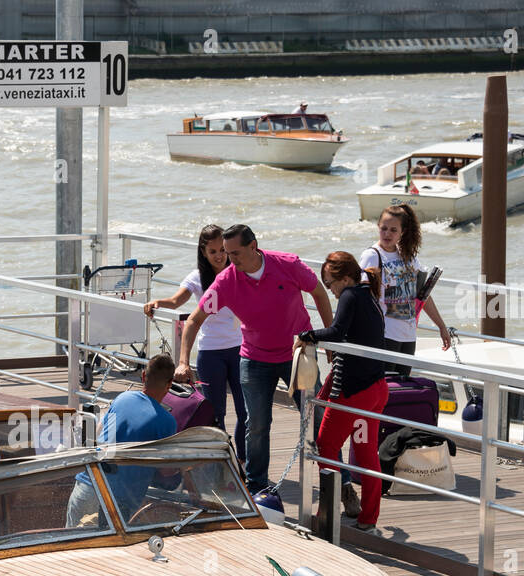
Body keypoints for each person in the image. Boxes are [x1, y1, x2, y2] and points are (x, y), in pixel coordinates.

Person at [173, 224, 333, 503]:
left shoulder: (289, 264)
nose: (230, 259)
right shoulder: (225, 282)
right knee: (256, 424)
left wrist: (328, 339)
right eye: (225, 253)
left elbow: (320, 294)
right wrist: (183, 361)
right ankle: (258, 487)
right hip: (254, 358)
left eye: (235, 253)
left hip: (298, 354)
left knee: (318, 419)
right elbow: (194, 321)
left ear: (254, 246)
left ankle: (335, 484)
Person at [298, 252, 388, 531]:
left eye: (331, 284)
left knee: (326, 447)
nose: (331, 291)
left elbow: (336, 331)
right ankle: (368, 519)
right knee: (366, 454)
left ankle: (328, 512)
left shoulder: (350, 295)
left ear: (346, 278)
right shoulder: (369, 295)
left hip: (352, 392)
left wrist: (307, 335)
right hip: (375, 389)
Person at [143, 224, 246, 464]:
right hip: (211, 353)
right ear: (203, 252)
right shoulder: (197, 277)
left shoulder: (238, 272)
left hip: (240, 350)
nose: (220, 256)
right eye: (213, 251)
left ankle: (243, 461)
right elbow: (177, 301)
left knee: (245, 412)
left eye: (223, 250)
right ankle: (220, 461)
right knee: (216, 412)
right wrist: (158, 302)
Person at [67, 353, 177, 526]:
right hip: (117, 501)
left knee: (70, 548)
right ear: (170, 384)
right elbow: (166, 471)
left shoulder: (121, 399)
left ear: (143, 376)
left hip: (87, 485)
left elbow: (97, 434)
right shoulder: (167, 421)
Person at [360, 204, 451, 376]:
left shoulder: (408, 256)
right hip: (385, 334)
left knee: (401, 391)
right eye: (384, 228)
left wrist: (441, 326)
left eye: (393, 230)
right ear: (378, 227)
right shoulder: (372, 256)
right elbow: (361, 296)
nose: (387, 234)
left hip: (408, 336)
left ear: (403, 231)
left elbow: (422, 296)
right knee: (385, 390)